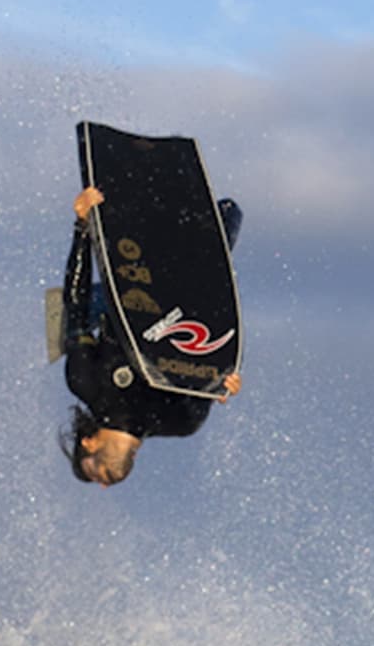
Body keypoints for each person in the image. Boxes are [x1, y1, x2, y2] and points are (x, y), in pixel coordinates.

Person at [60, 182, 244, 485]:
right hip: (184, 300)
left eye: (91, 475)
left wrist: (82, 226)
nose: (104, 486)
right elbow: (211, 372)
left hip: (128, 294)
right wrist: (222, 381)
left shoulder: (85, 383)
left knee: (80, 315)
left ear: (87, 444)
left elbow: (74, 306)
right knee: (228, 212)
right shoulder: (181, 421)